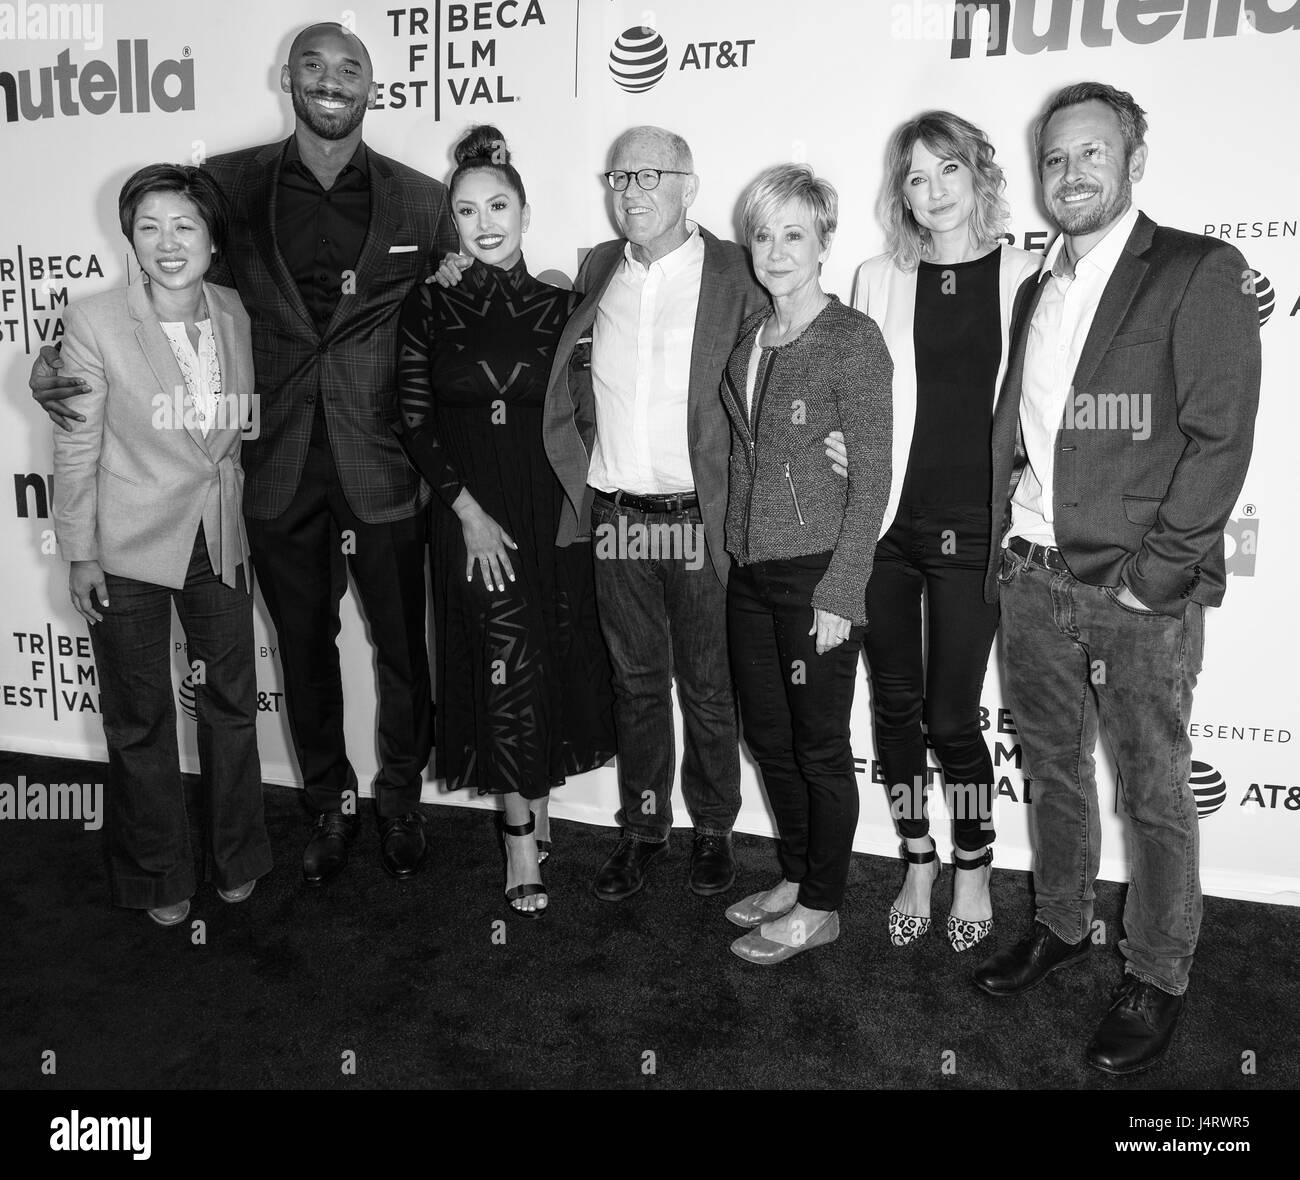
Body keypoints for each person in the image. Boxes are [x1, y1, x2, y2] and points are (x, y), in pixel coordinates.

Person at [32, 23, 462, 886]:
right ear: (287, 78)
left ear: (372, 87)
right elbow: (162, 288)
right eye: (313, 66)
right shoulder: (228, 183)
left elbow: (456, 309)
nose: (330, 81)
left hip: (384, 463)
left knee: (404, 653)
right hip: (267, 466)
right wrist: (55, 368)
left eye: (349, 70)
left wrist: (554, 297)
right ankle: (330, 807)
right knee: (302, 652)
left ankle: (403, 802)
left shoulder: (422, 199)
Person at [971, 83, 1259, 1075]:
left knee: (1152, 795)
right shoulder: (1033, 284)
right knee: (1052, 774)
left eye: (1091, 153)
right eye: (1054, 158)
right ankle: (1060, 925)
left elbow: (1218, 440)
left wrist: (1155, 577)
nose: (1070, 173)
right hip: (1030, 577)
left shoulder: (1195, 269)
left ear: (1134, 158)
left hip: (1133, 598)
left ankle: (1157, 971)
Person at [541, 126, 769, 901]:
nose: (631, 190)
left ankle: (713, 829)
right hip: (619, 518)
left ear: (688, 186)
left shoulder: (740, 271)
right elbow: (570, 373)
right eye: (619, 176)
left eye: (650, 175)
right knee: (636, 684)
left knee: (708, 686)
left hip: (700, 518)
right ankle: (643, 829)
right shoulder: (598, 267)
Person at [395, 126, 615, 915]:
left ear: (524, 210)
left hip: (550, 510)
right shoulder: (429, 302)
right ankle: (520, 839)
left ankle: (539, 801)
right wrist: (466, 513)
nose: (485, 222)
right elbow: (414, 421)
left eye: (498, 205)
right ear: (450, 222)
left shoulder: (562, 305)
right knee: (504, 658)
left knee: (545, 657)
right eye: (466, 210)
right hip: (470, 514)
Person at [52, 164, 272, 926]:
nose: (167, 243)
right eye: (149, 227)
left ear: (213, 238)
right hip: (128, 548)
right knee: (139, 717)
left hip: (219, 539)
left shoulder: (238, 312)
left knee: (230, 708)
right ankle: (158, 872)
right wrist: (78, 550)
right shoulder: (95, 324)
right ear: (130, 240)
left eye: (184, 225)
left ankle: (236, 856)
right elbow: (76, 446)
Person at [851, 112, 1041, 952]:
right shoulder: (875, 275)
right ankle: (917, 858)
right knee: (892, 710)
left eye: (948, 171)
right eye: (916, 178)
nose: (932, 192)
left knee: (952, 717)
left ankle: (973, 862)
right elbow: (856, 393)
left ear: (980, 176)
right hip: (888, 524)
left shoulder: (1028, 276)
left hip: (976, 524)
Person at [722, 164, 893, 964]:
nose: (778, 249)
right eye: (764, 234)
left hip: (818, 571)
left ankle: (822, 904)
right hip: (752, 573)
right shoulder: (753, 335)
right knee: (768, 734)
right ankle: (795, 873)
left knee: (818, 743)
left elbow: (873, 476)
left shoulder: (852, 338)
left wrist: (842, 588)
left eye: (795, 233)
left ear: (825, 241)